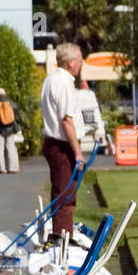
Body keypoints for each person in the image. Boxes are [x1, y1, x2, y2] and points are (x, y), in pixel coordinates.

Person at [40, 42, 85, 236]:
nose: (82, 63)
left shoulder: (50, 79)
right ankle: (62, 240)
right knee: (66, 196)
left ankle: (61, 235)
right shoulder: (64, 82)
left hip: (53, 143)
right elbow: (67, 120)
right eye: (80, 59)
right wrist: (77, 153)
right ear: (71, 63)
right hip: (62, 145)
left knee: (60, 192)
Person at [0, 87, 20, 174]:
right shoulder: (11, 103)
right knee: (11, 148)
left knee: (0, 149)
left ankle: (2, 169)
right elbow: (17, 116)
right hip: (10, 129)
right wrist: (16, 126)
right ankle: (12, 168)